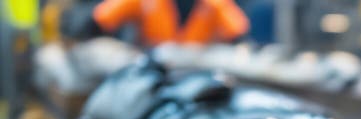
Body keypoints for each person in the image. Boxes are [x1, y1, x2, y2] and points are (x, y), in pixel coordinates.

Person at [92, 0, 249, 46]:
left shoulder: (214, 4)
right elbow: (101, 19)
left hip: (194, 70)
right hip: (151, 68)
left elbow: (238, 33)